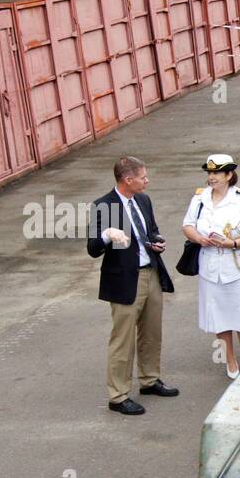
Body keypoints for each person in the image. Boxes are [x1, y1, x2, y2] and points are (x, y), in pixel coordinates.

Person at [87, 156, 179, 416]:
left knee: (152, 332)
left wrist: (157, 241)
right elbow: (92, 248)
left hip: (151, 273)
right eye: (143, 177)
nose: (147, 180)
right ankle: (118, 396)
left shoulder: (143, 200)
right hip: (125, 280)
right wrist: (107, 235)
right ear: (128, 180)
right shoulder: (103, 206)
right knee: (123, 339)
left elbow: (151, 230)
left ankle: (149, 380)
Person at [183, 154, 240, 378]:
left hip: (239, 267)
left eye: (216, 173)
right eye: (209, 173)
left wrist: (233, 243)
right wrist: (199, 239)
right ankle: (229, 359)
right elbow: (188, 225)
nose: (211, 177)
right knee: (219, 315)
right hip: (211, 266)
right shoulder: (199, 199)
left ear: (229, 175)